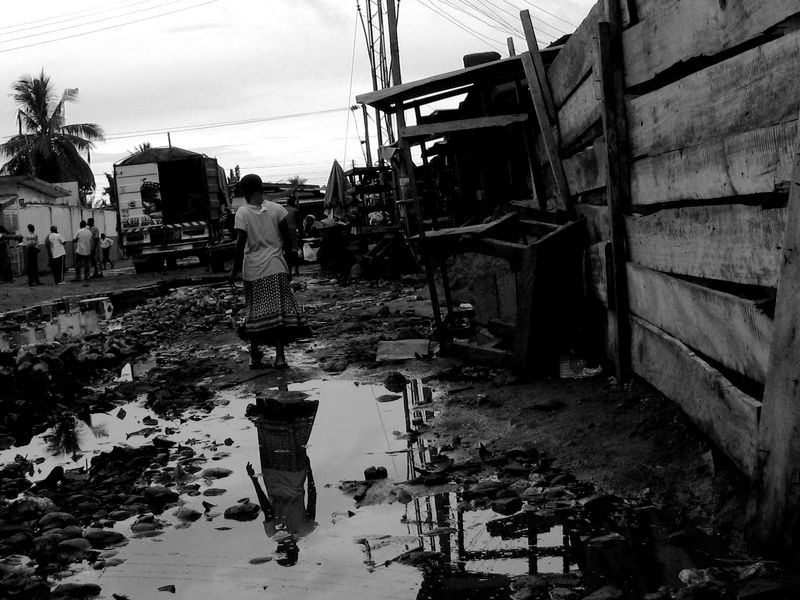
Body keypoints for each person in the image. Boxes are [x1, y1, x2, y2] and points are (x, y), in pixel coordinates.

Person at [229, 174, 311, 369]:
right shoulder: (277, 209)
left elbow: (240, 244)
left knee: (254, 312)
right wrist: (288, 267)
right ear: (261, 189)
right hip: (276, 267)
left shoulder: (242, 213)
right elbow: (288, 240)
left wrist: (233, 271)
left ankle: (254, 355)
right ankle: (280, 357)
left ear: (245, 192)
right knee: (278, 314)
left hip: (253, 271)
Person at [246, 391, 318, 567]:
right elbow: (266, 506)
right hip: (272, 474)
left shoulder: (306, 529)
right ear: (280, 551)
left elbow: (313, 496)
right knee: (268, 433)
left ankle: (285, 395)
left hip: (296, 472)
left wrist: (309, 471)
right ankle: (263, 395)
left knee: (293, 432)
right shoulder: (271, 532)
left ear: (296, 550)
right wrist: (254, 480)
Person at [283, 192, 301, 278]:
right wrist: (301, 233)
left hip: (284, 232)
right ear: (293, 203)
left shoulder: (282, 210)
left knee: (287, 251)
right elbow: (299, 223)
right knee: (295, 250)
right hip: (293, 231)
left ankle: (288, 270)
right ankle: (296, 269)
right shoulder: (295, 210)